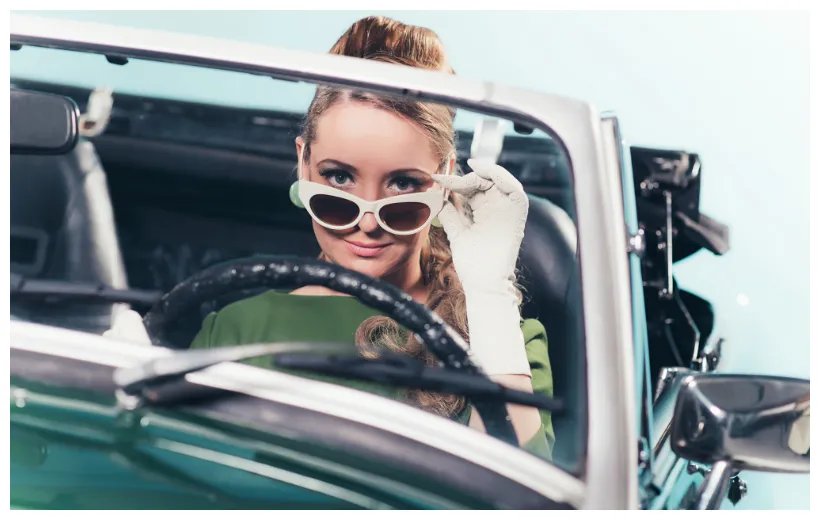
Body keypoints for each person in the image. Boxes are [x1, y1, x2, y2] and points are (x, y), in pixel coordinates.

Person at [105, 15, 555, 459]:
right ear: (304, 165)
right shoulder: (235, 327)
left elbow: (516, 485)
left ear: (445, 178)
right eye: (339, 177)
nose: (368, 221)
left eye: (403, 183)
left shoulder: (505, 339)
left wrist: (489, 296)